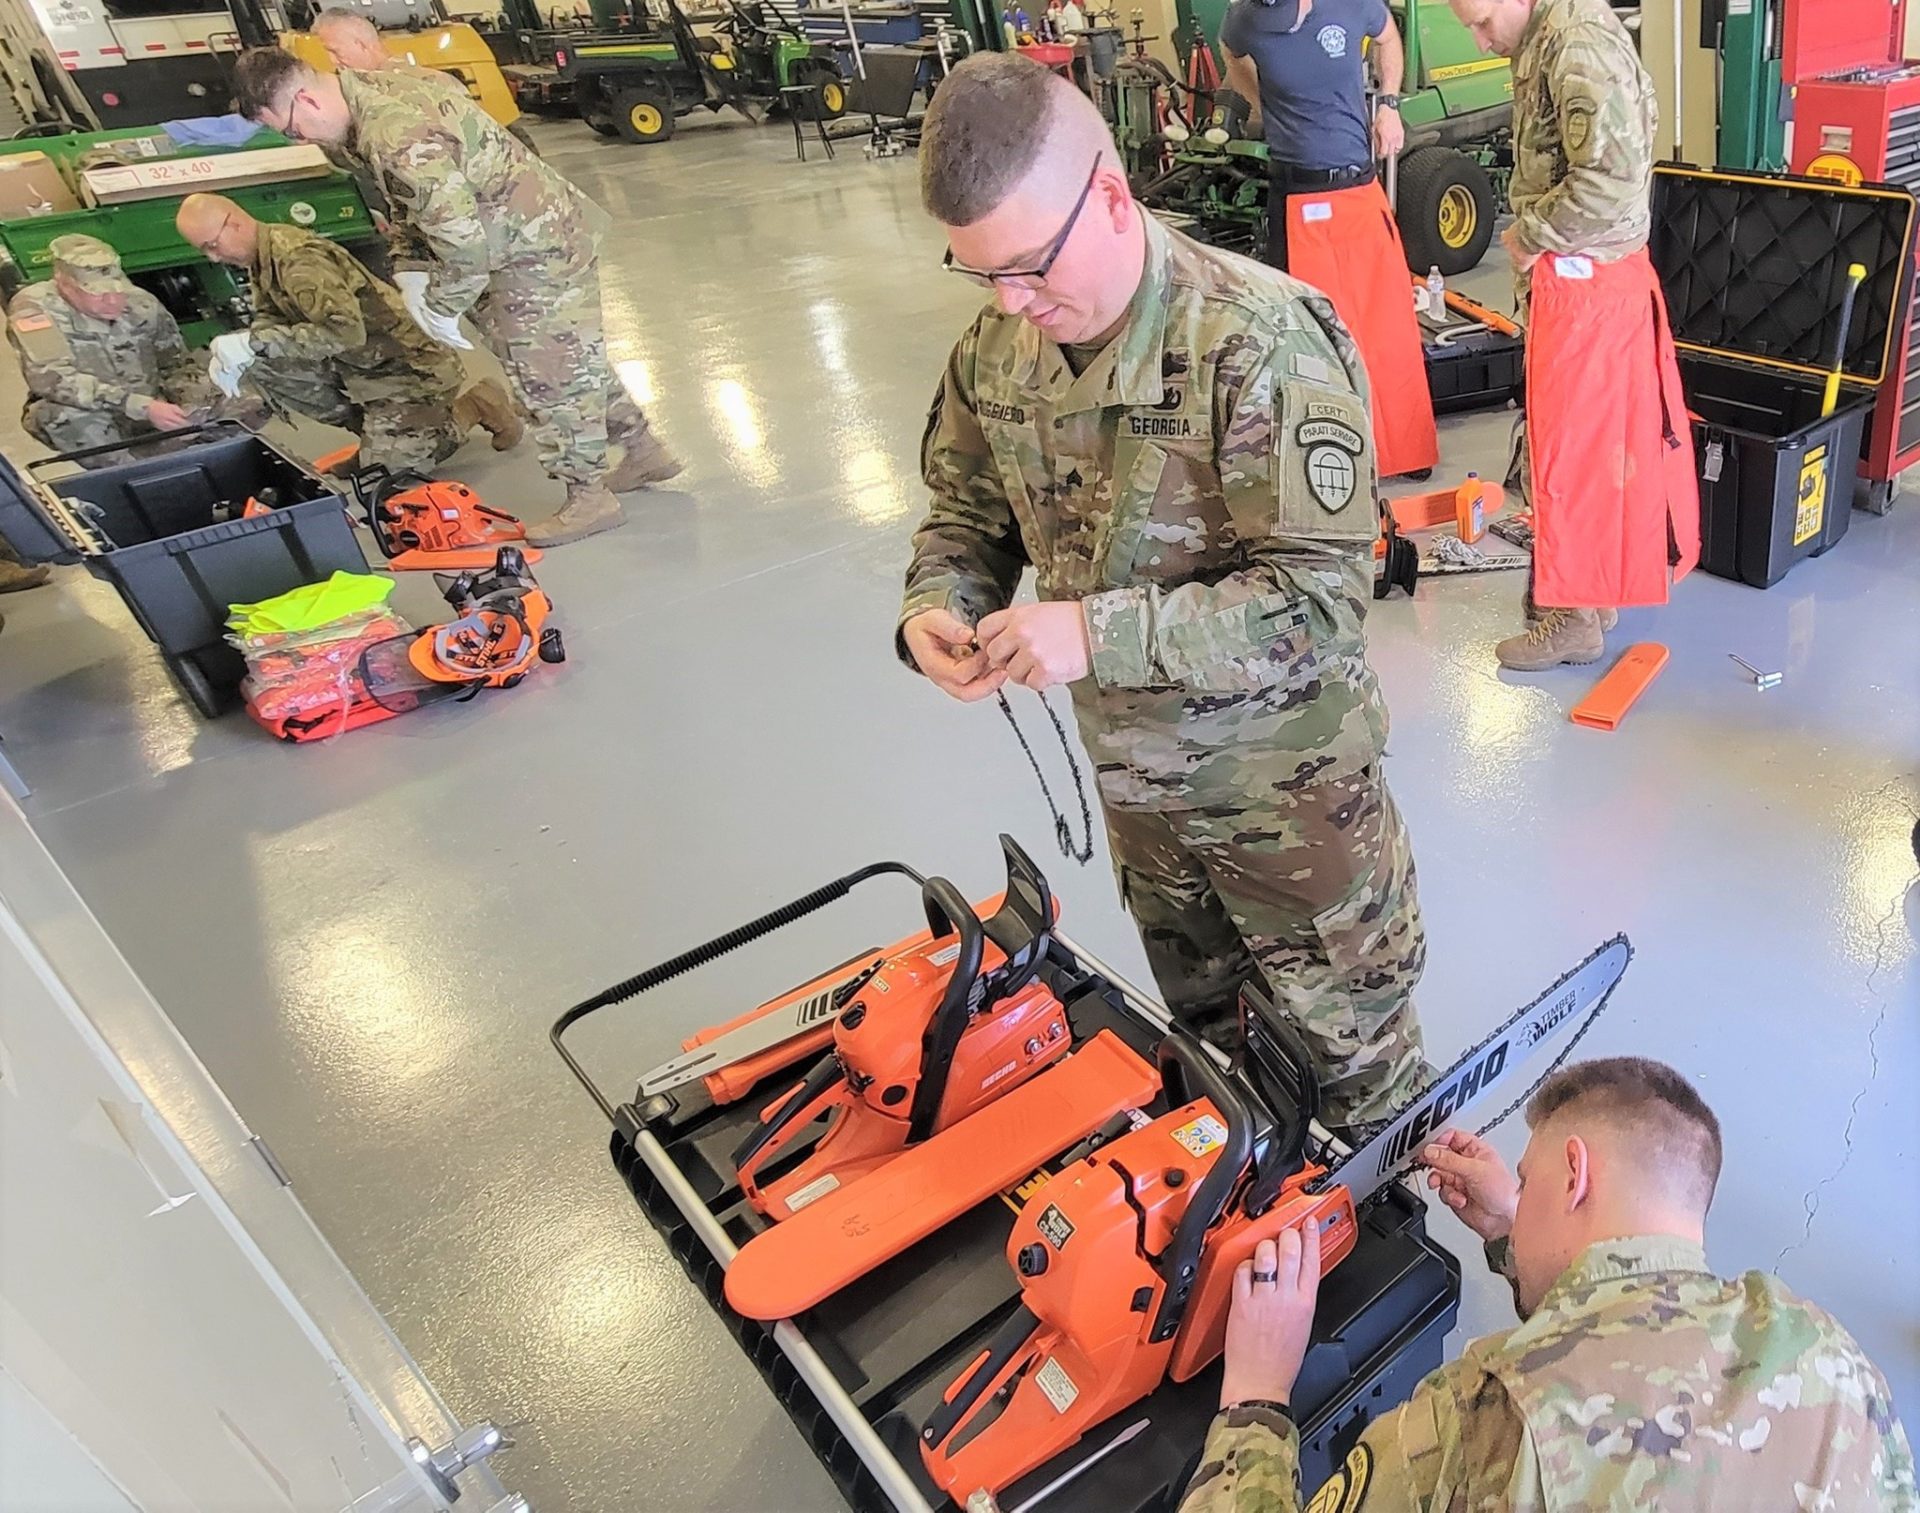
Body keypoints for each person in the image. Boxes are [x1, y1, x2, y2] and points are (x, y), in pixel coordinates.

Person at [897, 52, 1429, 1131]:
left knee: (1362, 1095)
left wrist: (1095, 634)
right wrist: (936, 603)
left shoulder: (1262, 342)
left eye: (1028, 265)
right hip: (1148, 817)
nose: (1010, 299)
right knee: (1218, 1084)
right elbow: (966, 514)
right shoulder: (998, 353)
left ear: (1107, 195)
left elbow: (1318, 606)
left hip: (1291, 818)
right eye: (980, 272)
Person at [1178, 1056, 1917, 1510]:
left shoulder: (1486, 1417)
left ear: (1576, 1172)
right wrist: (1511, 1235)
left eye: (1526, 1181)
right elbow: (1628, 1344)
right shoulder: (1834, 1359)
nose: (1515, 1195)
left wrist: (1255, 1394)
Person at [229, 47, 680, 546]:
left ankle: (590, 497)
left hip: (528, 245)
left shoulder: (393, 134)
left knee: (544, 371)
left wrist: (441, 303)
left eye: (291, 130)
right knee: (571, 358)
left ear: (308, 99)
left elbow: (464, 247)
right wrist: (408, 266)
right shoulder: (362, 95)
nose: (297, 139)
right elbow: (406, 204)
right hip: (520, 231)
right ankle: (643, 450)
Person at [1451, 0, 1699, 671]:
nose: (1479, 39)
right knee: (1588, 454)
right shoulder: (1547, 37)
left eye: (1479, 22)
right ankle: (1593, 594)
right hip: (1583, 285)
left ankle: (1574, 621)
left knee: (1571, 459)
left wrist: (1531, 235)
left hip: (1587, 290)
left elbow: (1610, 184)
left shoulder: (1576, 44)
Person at [1219, 0, 1437, 480]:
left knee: (1387, 321)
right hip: (1295, 193)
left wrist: (1389, 106)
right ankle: (1333, 460)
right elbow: (1231, 54)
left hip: (1358, 186)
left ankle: (1405, 449)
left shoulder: (1352, 3)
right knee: (1311, 338)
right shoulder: (1245, 18)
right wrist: (1261, 101)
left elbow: (1388, 37)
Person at [175, 193, 519, 473]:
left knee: (391, 471)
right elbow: (271, 313)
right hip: (359, 365)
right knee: (262, 363)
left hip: (407, 367)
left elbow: (345, 333)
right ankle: (377, 432)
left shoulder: (297, 258)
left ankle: (476, 404)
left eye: (212, 245)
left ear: (233, 223)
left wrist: (255, 342)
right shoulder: (262, 257)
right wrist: (249, 348)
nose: (213, 258)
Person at [6, 234, 226, 458]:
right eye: (98, 294)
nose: (113, 301)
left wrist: (190, 405)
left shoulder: (142, 303)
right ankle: (126, 473)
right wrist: (140, 406)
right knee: (62, 415)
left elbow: (175, 364)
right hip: (95, 409)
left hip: (152, 402)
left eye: (117, 290)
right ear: (64, 285)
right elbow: (52, 379)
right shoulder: (34, 309)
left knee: (226, 391)